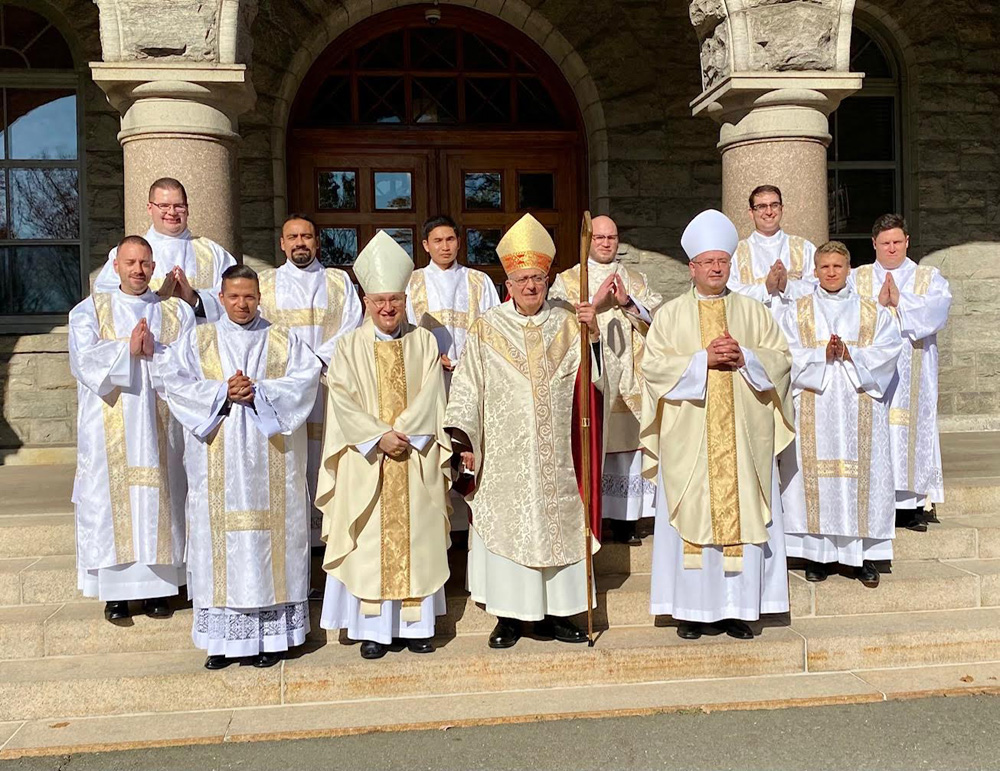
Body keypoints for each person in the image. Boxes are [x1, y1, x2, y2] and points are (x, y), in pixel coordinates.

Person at [445, 213, 603, 650]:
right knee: (509, 527)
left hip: (560, 457)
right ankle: (509, 618)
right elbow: (467, 386)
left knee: (560, 528)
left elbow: (596, 382)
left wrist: (593, 338)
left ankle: (559, 614)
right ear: (508, 284)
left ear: (548, 280)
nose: (530, 286)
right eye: (522, 280)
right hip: (505, 457)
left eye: (537, 278)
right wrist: (465, 441)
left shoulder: (570, 321)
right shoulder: (487, 327)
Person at [641, 209, 794, 641]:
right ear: (691, 267)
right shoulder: (670, 315)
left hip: (744, 440)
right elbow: (652, 369)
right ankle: (690, 611)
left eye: (722, 262)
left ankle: (737, 609)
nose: (715, 268)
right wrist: (700, 361)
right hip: (690, 439)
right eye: (707, 262)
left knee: (742, 514)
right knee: (692, 515)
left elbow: (782, 361)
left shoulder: (753, 312)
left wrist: (747, 358)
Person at [162, 265, 320, 670]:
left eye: (249, 296)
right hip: (219, 459)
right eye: (233, 296)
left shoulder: (284, 339)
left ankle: (274, 638)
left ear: (259, 297)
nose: (242, 304)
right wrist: (221, 392)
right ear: (221, 296)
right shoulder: (198, 339)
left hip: (272, 461)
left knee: (272, 547)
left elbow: (306, 380)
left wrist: (260, 391)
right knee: (220, 550)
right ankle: (222, 641)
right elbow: (173, 383)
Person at [316, 231, 451, 660]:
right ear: (366, 302)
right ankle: (371, 629)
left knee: (418, 538)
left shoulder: (424, 341)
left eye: (394, 299)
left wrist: (403, 433)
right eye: (379, 301)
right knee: (368, 540)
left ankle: (416, 627)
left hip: (414, 456)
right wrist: (379, 436)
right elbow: (341, 399)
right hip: (367, 459)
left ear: (405, 299)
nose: (388, 308)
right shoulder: (349, 346)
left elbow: (433, 392)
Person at [69, 235, 195, 622]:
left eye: (144, 263)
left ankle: (159, 590)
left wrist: (155, 351)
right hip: (110, 425)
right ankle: (116, 597)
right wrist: (127, 349)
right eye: (130, 263)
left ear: (154, 267)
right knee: (111, 505)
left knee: (162, 499)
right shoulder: (89, 310)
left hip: (161, 427)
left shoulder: (176, 313)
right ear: (117, 266)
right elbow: (83, 362)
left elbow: (190, 364)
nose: (138, 270)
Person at [777, 242, 903, 587]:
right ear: (815, 271)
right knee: (814, 481)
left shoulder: (872, 311)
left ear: (849, 269)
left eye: (837, 266)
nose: (831, 272)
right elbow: (783, 353)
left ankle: (861, 557)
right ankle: (816, 556)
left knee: (859, 479)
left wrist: (850, 354)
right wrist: (821, 354)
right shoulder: (796, 312)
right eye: (825, 267)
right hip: (813, 406)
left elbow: (889, 351)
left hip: (858, 404)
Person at [550, 215, 663, 545]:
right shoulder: (568, 280)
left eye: (612, 237)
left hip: (630, 380)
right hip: (593, 379)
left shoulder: (635, 280)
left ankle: (626, 521)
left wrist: (627, 302)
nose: (606, 243)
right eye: (599, 237)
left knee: (628, 451)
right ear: (588, 241)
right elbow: (555, 323)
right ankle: (594, 516)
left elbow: (660, 323)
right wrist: (597, 304)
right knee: (595, 444)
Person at [258, 213, 363, 546]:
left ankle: (329, 537)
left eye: (306, 236)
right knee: (289, 459)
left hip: (327, 383)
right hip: (285, 388)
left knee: (326, 455)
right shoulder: (265, 283)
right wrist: (296, 371)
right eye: (293, 237)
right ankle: (293, 537)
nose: (300, 243)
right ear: (282, 244)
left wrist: (316, 362)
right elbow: (258, 334)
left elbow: (352, 326)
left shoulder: (338, 281)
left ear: (317, 242)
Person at [848, 215, 952, 532]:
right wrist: (878, 305)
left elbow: (938, 311)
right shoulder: (857, 278)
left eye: (896, 242)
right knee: (876, 431)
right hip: (871, 374)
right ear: (874, 244)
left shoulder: (928, 277)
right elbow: (845, 313)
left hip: (913, 372)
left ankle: (910, 507)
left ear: (907, 241)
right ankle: (875, 502)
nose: (891, 248)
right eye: (885, 243)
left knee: (910, 431)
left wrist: (901, 301)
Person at [406, 215, 501, 537]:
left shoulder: (479, 282)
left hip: (471, 379)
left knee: (469, 450)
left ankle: (468, 530)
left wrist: (465, 361)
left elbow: (493, 331)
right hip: (427, 384)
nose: (444, 246)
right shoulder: (412, 283)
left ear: (459, 242)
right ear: (425, 245)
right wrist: (430, 358)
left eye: (450, 239)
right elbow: (403, 334)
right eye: (437, 241)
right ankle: (437, 529)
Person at [93, 178, 237, 322]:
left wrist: (194, 299)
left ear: (187, 209)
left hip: (198, 334)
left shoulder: (213, 253)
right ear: (150, 208)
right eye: (164, 206)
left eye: (179, 206)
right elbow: (104, 300)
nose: (172, 212)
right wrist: (156, 298)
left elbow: (237, 297)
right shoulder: (128, 252)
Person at [728, 185, 816, 313]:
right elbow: (730, 293)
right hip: (754, 322)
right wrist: (765, 289)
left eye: (774, 205)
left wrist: (787, 286)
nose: (769, 212)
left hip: (794, 322)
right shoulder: (736, 252)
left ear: (782, 209)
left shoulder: (804, 248)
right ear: (751, 213)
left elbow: (819, 287)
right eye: (761, 207)